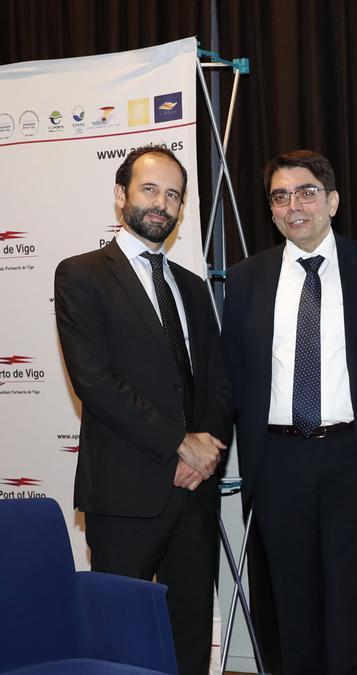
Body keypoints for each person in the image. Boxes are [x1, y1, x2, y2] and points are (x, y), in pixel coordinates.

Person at [54, 146, 232, 675]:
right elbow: (95, 382)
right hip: (124, 493)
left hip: (194, 492)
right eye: (149, 189)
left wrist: (207, 450)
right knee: (119, 641)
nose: (161, 203)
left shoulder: (195, 289)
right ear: (120, 196)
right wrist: (181, 442)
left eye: (173, 194)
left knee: (190, 634)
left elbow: (219, 382)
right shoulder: (82, 274)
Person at [222, 150, 357, 674]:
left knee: (351, 615)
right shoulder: (245, 279)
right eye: (280, 196)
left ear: (333, 201)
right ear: (271, 210)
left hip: (354, 460)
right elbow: (231, 374)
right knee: (292, 613)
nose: (293, 205)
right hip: (278, 463)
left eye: (306, 192)